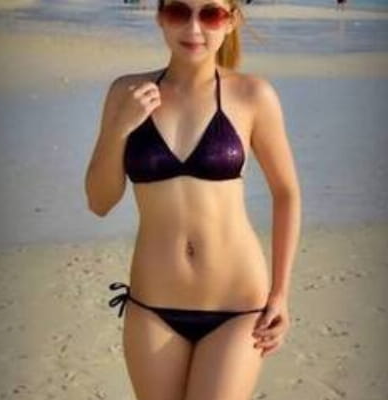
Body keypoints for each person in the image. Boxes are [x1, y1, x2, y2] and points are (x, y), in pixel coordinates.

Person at [85, 0, 301, 398]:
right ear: (160, 17)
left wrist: (280, 294)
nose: (194, 28)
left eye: (211, 14)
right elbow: (100, 202)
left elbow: (286, 193)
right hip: (152, 307)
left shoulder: (253, 95)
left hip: (237, 306)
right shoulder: (126, 93)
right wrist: (120, 128)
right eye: (179, 12)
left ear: (231, 21)